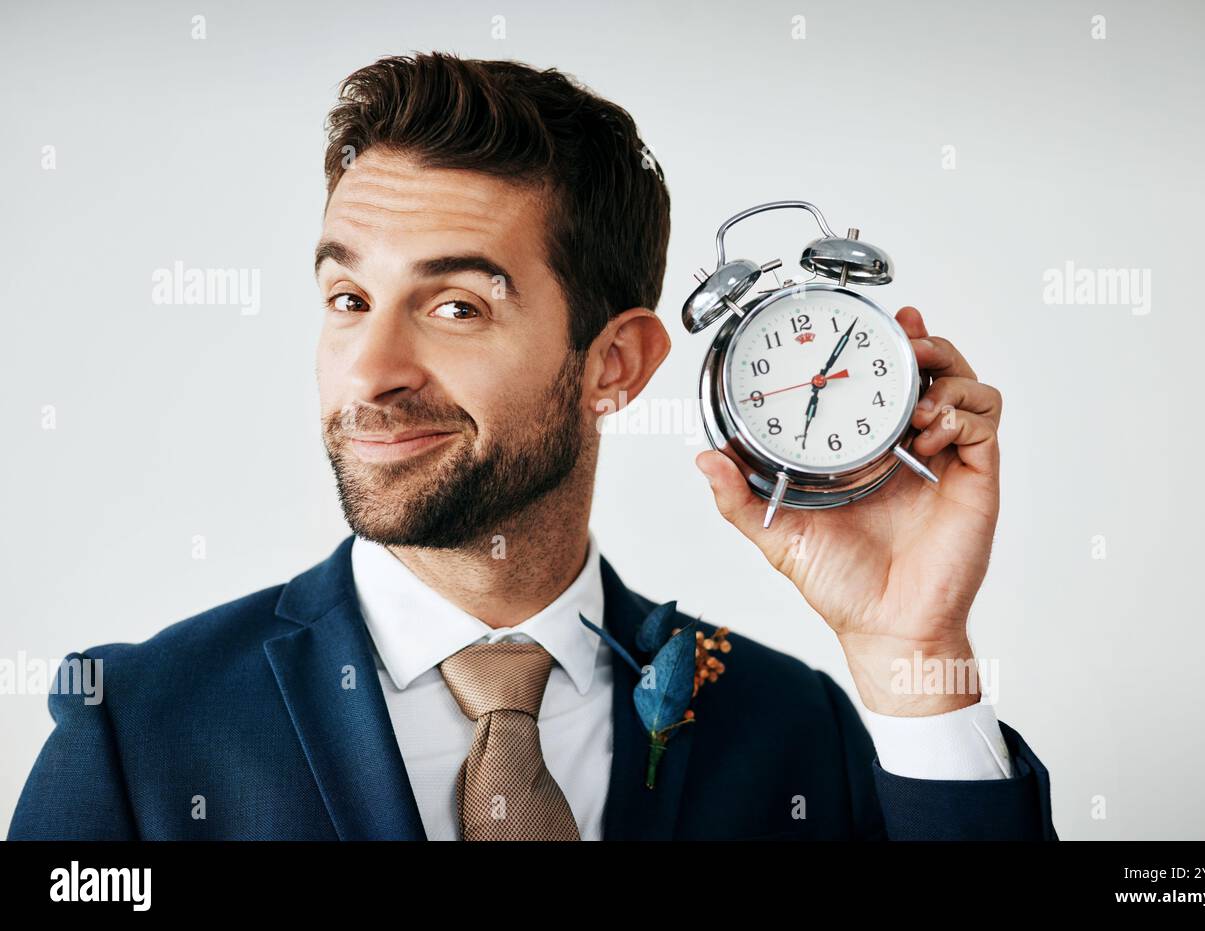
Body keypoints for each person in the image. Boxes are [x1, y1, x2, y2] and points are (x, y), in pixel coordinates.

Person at [8, 51, 1055, 841]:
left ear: (615, 364)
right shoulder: (138, 731)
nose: (370, 371)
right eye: (347, 298)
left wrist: (914, 655)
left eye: (457, 306)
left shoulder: (795, 733)